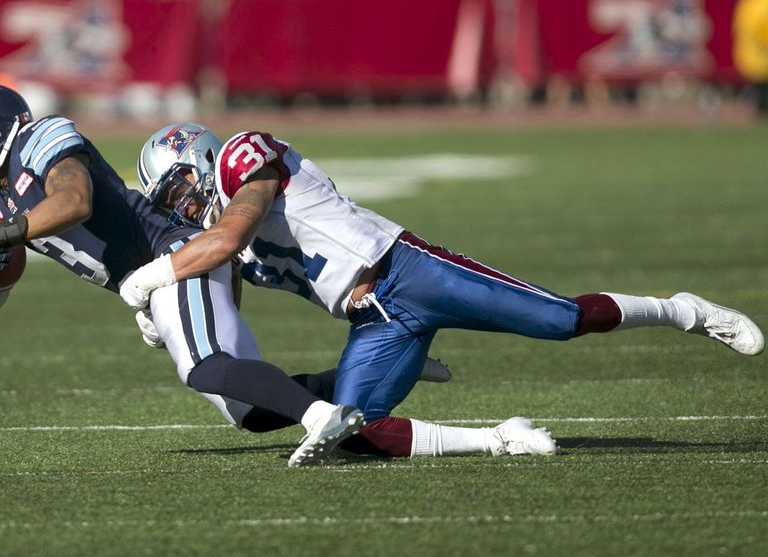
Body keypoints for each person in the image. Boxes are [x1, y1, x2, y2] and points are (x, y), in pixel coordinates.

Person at [121, 122, 765, 458]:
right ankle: (499, 437)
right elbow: (218, 294)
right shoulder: (228, 239)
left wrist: (150, 278)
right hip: (376, 320)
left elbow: (234, 230)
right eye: (170, 201)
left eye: (181, 186)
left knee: (561, 319)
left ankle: (683, 310)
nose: (185, 204)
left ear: (202, 158)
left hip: (409, 271)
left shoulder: (243, 159)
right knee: (356, 432)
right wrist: (164, 317)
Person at [0, 85, 368, 467]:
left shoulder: (36, 137)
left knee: (204, 367)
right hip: (150, 280)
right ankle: (381, 368)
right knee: (250, 411)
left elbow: (73, 201)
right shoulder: (3, 194)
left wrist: (8, 231)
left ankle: (321, 417)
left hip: (173, 254)